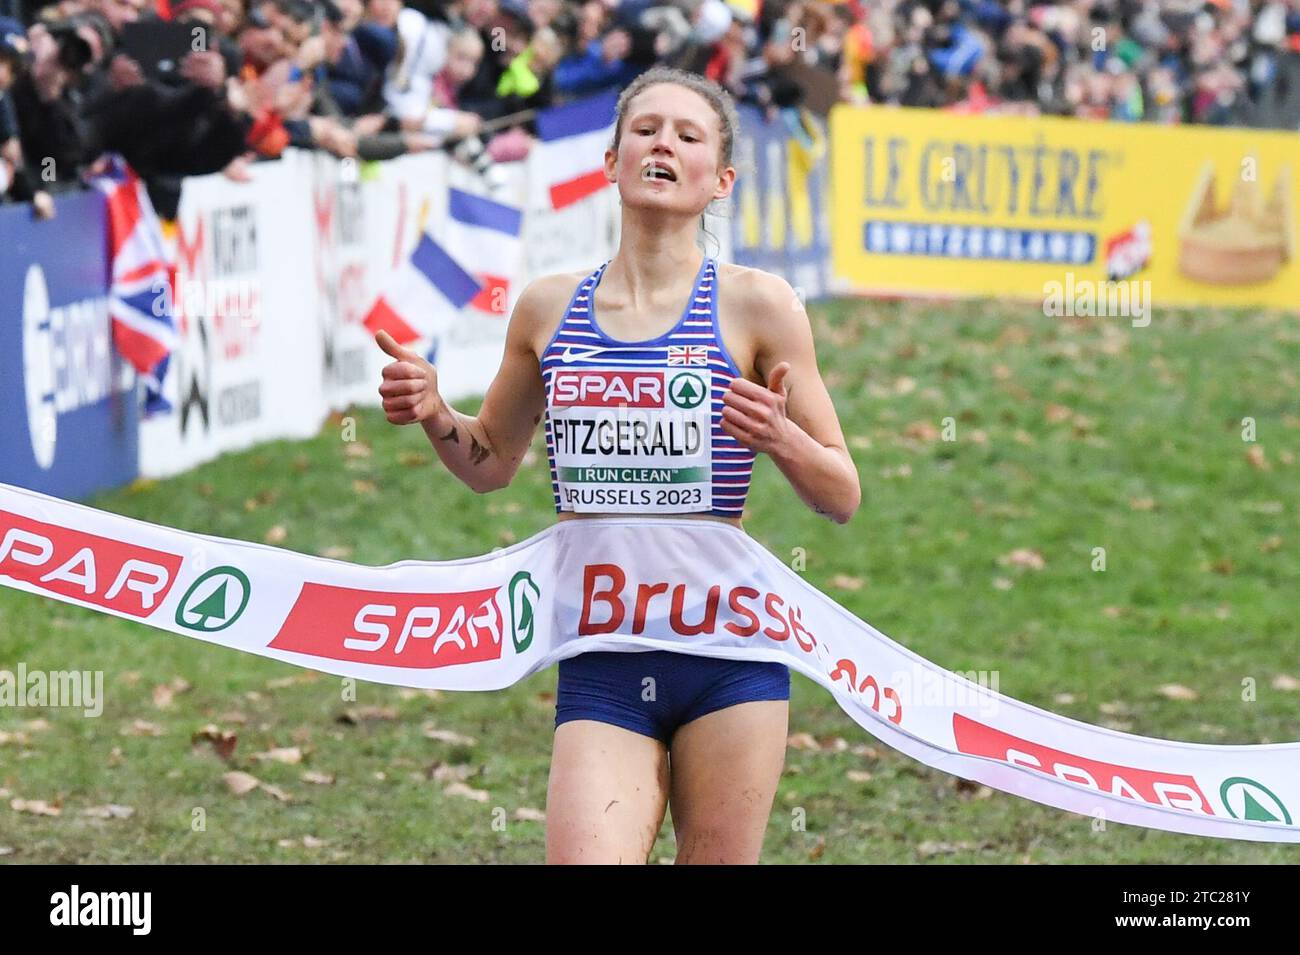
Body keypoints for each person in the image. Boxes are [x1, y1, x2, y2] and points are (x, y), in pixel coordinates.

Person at [372, 65, 859, 864]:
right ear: (611, 161)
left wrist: (783, 438)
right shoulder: (547, 307)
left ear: (720, 180)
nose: (663, 142)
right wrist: (434, 413)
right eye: (646, 129)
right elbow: (491, 462)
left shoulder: (758, 305)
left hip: (729, 655)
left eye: (688, 135)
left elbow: (841, 494)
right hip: (602, 655)